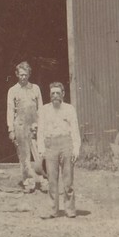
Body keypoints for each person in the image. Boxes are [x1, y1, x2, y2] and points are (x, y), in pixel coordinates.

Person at [35, 81, 81, 218]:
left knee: (68, 180)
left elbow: (75, 130)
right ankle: (52, 210)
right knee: (52, 180)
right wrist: (41, 149)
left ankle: (70, 210)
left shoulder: (69, 109)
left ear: (63, 94)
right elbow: (40, 131)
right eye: (53, 93)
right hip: (50, 145)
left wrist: (76, 148)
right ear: (50, 95)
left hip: (66, 144)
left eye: (58, 93)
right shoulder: (44, 110)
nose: (55, 95)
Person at [6, 61, 43, 190]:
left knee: (39, 153)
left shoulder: (35, 88)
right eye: (21, 74)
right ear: (17, 74)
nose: (23, 77)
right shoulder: (12, 91)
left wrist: (41, 124)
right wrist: (11, 129)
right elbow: (10, 110)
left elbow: (40, 108)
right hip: (20, 126)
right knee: (24, 155)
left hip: (34, 125)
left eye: (25, 74)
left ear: (29, 74)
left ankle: (42, 180)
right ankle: (28, 182)